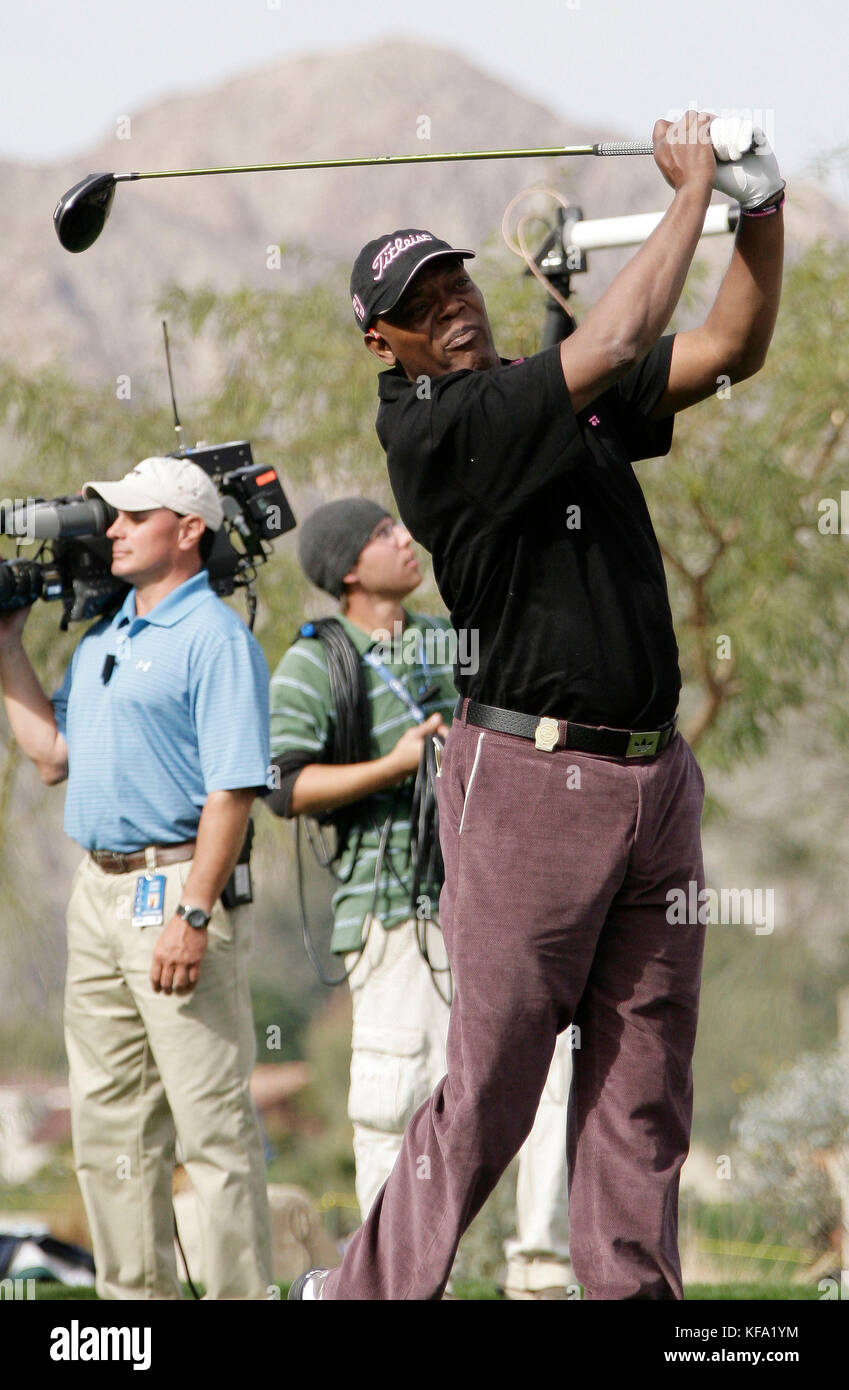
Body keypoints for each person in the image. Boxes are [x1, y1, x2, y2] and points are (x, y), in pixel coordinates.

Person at [288, 111, 785, 1302]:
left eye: (457, 276)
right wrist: (692, 192)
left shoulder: (553, 390)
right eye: (424, 297)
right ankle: (363, 1295)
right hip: (527, 788)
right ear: (384, 341)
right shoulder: (440, 430)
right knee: (492, 1090)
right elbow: (615, 335)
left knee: (642, 1088)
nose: (455, 301)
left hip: (652, 781)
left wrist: (759, 214)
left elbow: (729, 344)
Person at [267, 498, 574, 1297]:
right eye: (381, 535)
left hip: (483, 897)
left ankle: (540, 1272)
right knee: (395, 1096)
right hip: (387, 910)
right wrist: (396, 763)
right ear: (345, 569)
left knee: (543, 1071)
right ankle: (391, 1282)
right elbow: (285, 786)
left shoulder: (449, 639)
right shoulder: (314, 661)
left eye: (399, 527)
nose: (405, 538)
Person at [0, 456, 273, 1299]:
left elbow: (232, 793)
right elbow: (52, 757)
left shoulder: (216, 638)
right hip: (97, 894)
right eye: (109, 517)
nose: (110, 529)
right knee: (110, 1128)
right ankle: (134, 1312)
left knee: (212, 1131)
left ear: (189, 530)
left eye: (130, 515)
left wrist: (192, 914)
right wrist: (4, 646)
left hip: (176, 888)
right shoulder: (107, 637)